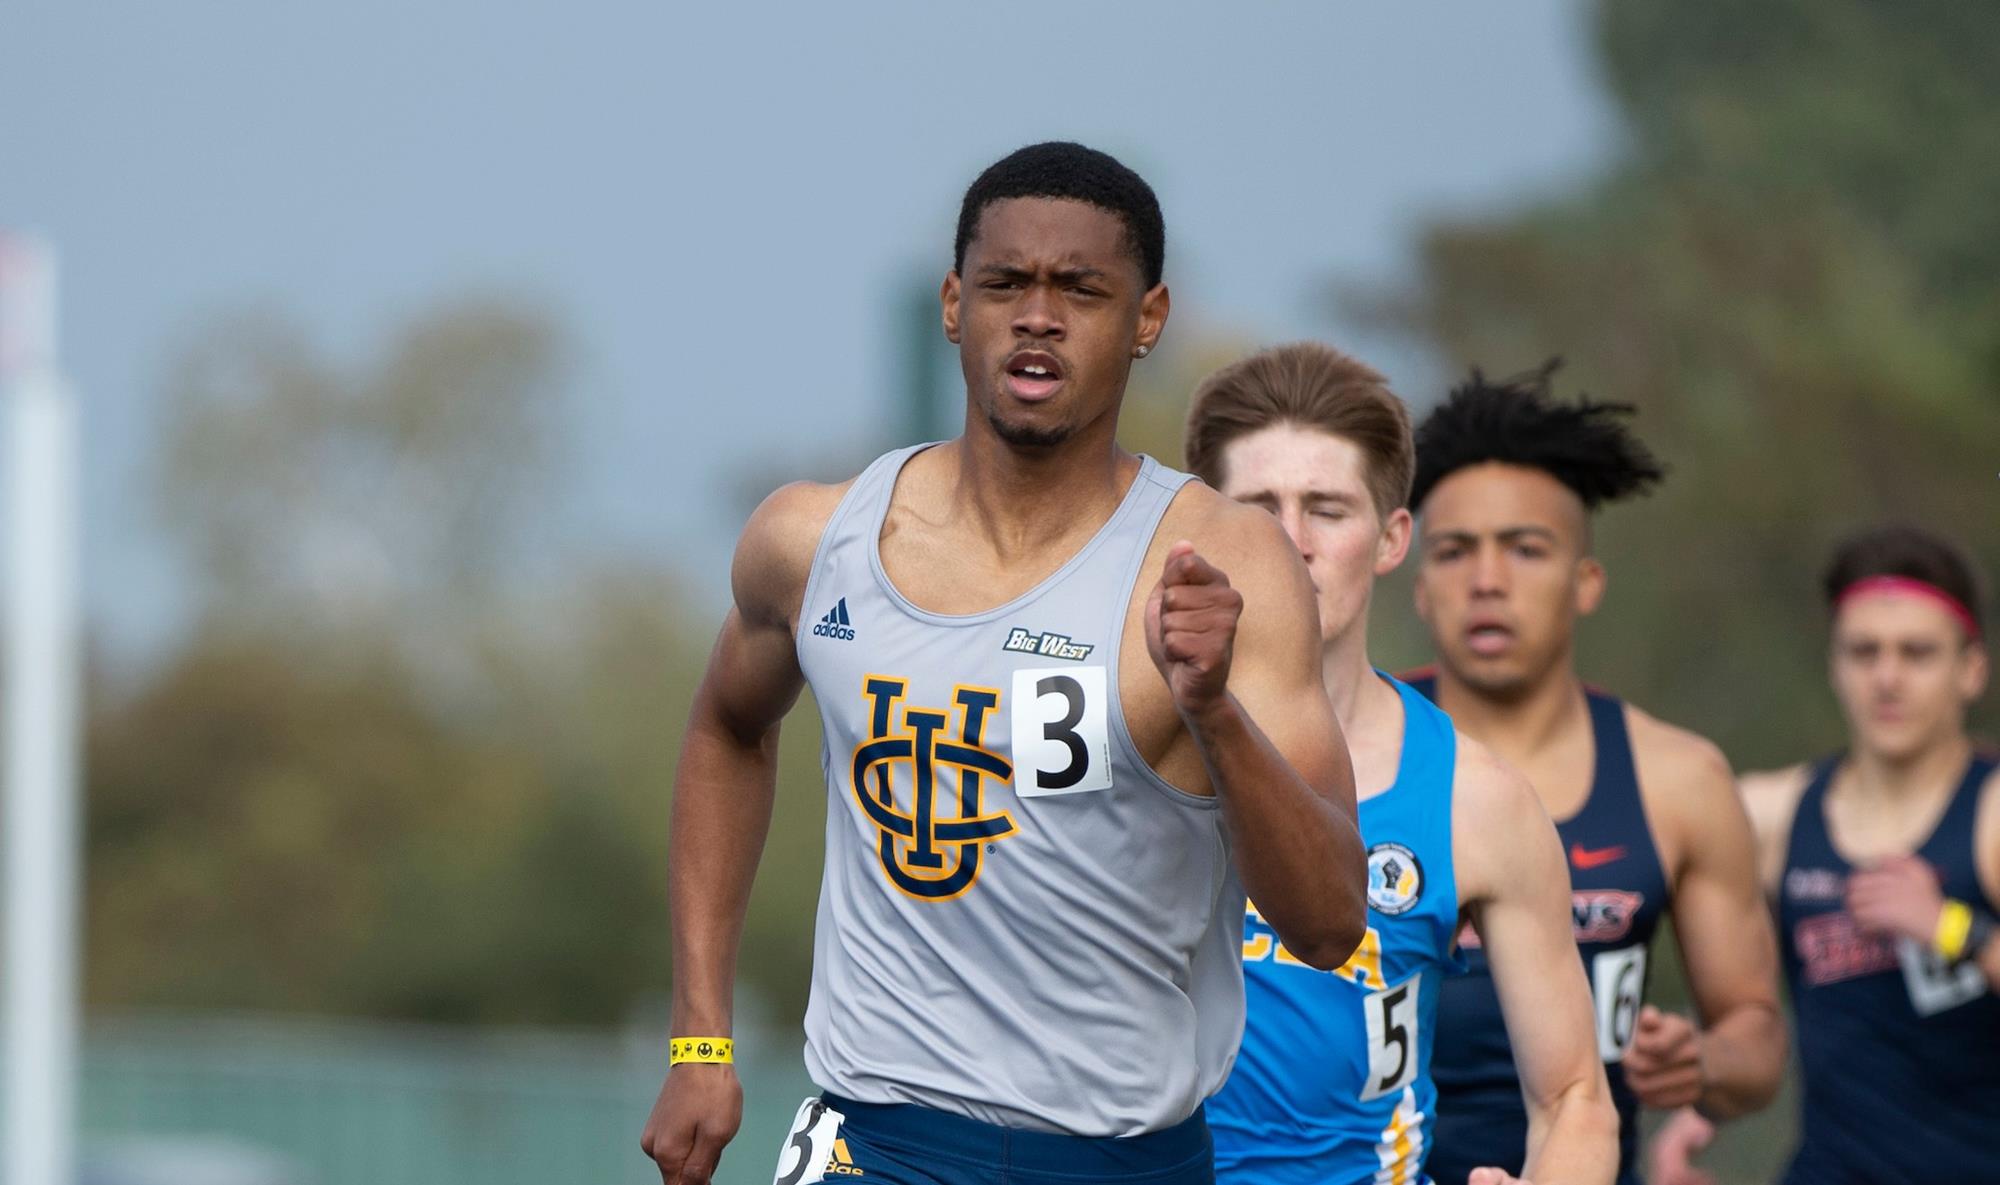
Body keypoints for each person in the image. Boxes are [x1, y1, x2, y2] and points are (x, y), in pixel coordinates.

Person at [639, 142, 1368, 1185]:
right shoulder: (813, 542)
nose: (1037, 315)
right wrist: (700, 1038)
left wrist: (1213, 712)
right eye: (1004, 284)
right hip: (878, 1140)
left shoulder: (1223, 564)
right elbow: (725, 727)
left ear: (1146, 320)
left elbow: (1331, 921)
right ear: (952, 303)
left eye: (1080, 289)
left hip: (1120, 1157)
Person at [1183, 343, 1617, 1185]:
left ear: (1390, 539)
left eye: (1328, 509)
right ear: (1201, 528)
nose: (1291, 541)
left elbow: (1575, 1097)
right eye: (1258, 506)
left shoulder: (1474, 798)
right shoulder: (1112, 754)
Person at [1405, 365, 1785, 1185]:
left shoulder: (1677, 778)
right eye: (1455, 550)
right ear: (1420, 586)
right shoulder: (1343, 758)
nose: (1488, 579)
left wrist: (1704, 1059)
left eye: (1525, 548)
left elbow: (1758, 1038)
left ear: (1586, 583)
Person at [1651, 524, 2000, 1185]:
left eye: (1917, 653)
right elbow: (1740, 986)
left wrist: (1954, 927)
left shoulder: (1990, 816)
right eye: (1864, 652)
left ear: (1971, 669)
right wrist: (1708, 1088)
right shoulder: (1773, 813)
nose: (1887, 678)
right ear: (1835, 665)